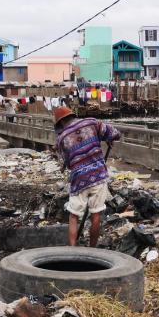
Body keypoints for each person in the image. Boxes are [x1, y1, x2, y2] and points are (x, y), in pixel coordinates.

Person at [53, 106, 121, 247]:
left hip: (79, 180)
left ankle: (72, 249)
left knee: (73, 216)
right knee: (96, 215)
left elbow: (67, 163)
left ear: (61, 122)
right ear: (72, 115)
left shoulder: (62, 138)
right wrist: (109, 139)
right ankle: (92, 249)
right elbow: (114, 133)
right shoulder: (91, 122)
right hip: (98, 175)